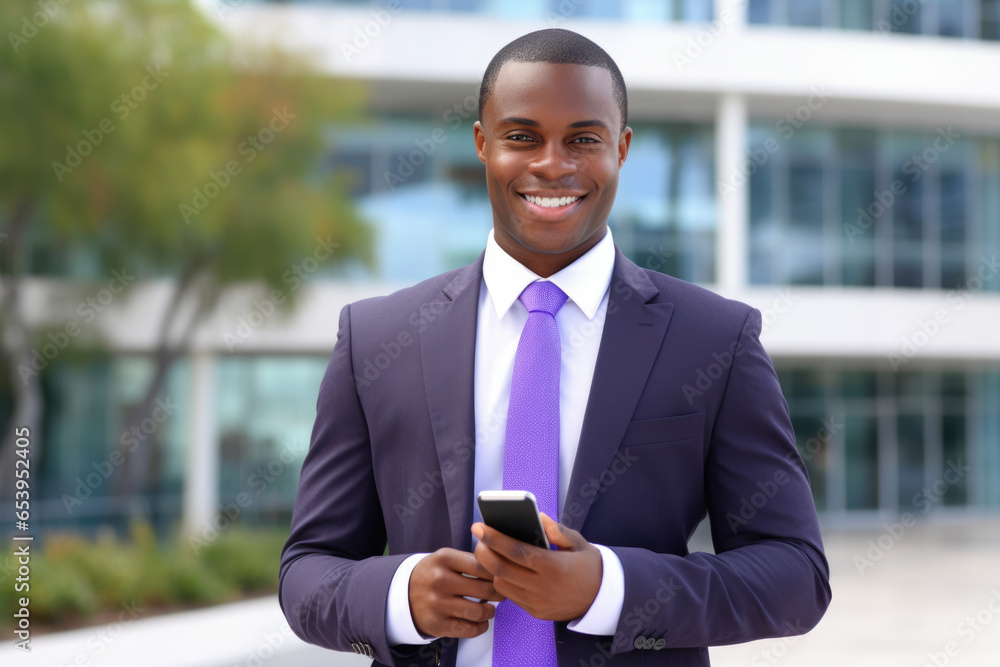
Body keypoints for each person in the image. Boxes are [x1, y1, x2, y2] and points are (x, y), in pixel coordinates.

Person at [279, 28, 831, 667]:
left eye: (583, 139)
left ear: (621, 149)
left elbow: (796, 576)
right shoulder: (376, 338)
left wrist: (609, 590)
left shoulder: (714, 339)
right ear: (482, 144)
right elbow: (307, 570)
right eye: (521, 136)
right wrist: (401, 597)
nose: (551, 164)